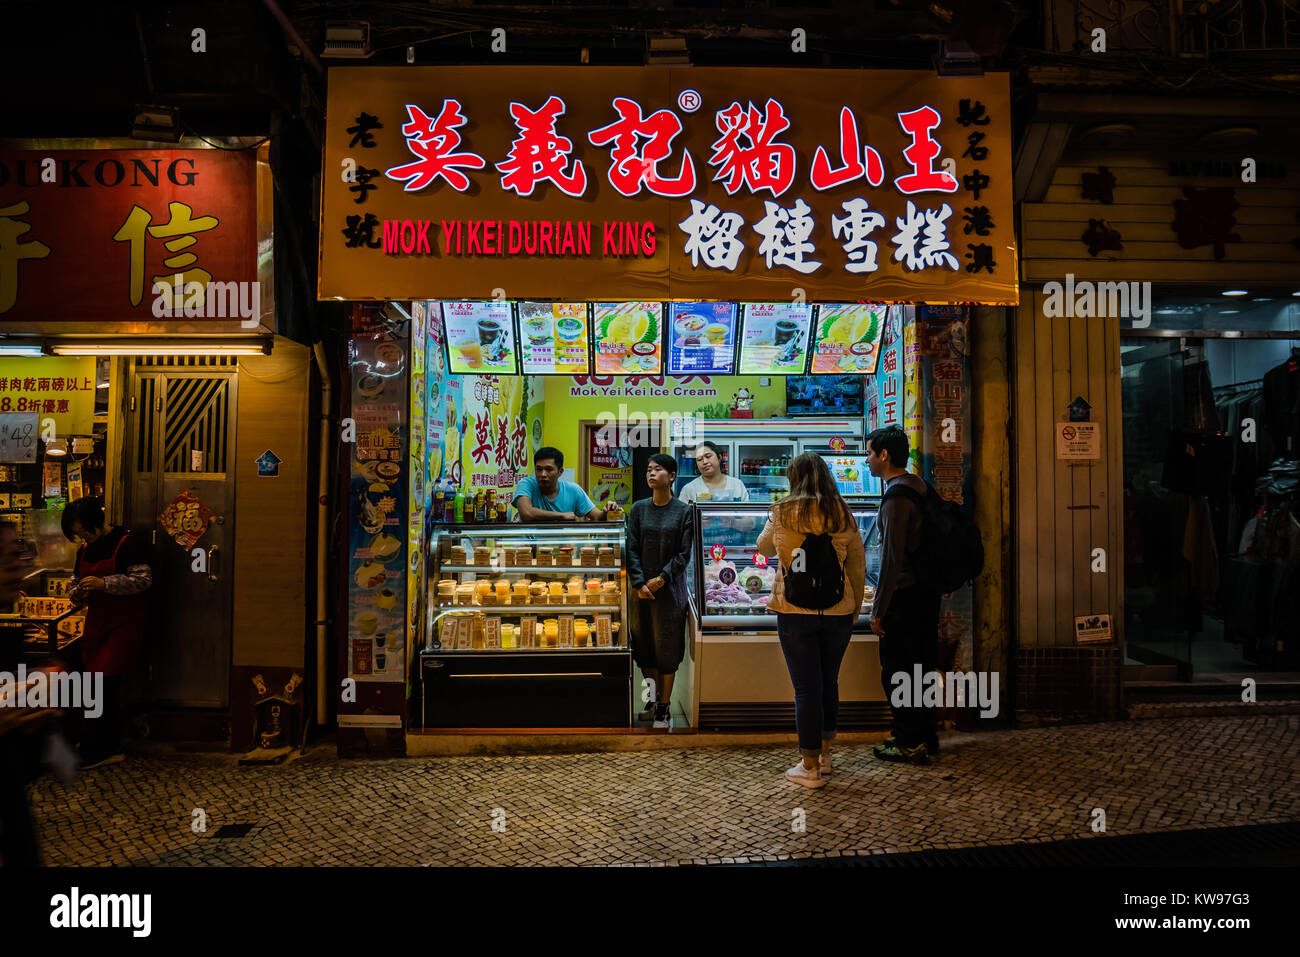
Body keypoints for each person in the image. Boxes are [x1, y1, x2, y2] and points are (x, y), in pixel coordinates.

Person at [757, 452, 866, 788]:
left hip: (795, 611)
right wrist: (855, 608)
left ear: (794, 478)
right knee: (828, 682)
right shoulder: (842, 512)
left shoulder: (782, 511)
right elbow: (857, 567)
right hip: (838, 612)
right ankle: (826, 755)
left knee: (806, 689)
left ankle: (810, 767)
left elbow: (763, 548)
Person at [864, 426, 941, 765]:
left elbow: (892, 561)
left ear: (884, 456)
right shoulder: (920, 487)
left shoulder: (896, 498)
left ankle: (908, 741)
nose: (866, 459)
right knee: (920, 667)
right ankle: (925, 734)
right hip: (926, 594)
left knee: (897, 670)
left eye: (869, 453)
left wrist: (878, 610)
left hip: (906, 598)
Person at [61, 497, 152, 768]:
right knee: (92, 684)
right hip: (96, 625)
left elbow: (143, 580)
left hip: (124, 625)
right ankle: (92, 741)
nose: (82, 537)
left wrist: (104, 584)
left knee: (104, 685)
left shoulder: (128, 542)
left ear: (97, 521)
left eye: (84, 530)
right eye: (77, 534)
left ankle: (105, 746)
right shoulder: (84, 551)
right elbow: (73, 584)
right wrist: (78, 592)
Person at [626, 454, 693, 730]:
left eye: (658, 469)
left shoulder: (684, 511)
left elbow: (683, 554)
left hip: (669, 592)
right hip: (640, 592)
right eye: (649, 469)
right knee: (645, 648)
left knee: (668, 647)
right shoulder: (638, 509)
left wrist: (660, 579)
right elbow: (630, 548)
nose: (651, 474)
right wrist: (640, 582)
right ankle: (651, 700)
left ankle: (664, 708)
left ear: (672, 476)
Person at [513, 447, 620, 523]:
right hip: (528, 550)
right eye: (539, 469)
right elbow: (526, 513)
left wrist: (608, 511)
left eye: (548, 469)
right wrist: (562, 515)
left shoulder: (573, 490)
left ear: (560, 471)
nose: (543, 474)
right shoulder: (526, 484)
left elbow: (597, 517)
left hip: (564, 550)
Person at [678, 441, 749, 504]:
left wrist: (733, 519)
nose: (705, 462)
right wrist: (698, 518)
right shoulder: (689, 489)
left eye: (708, 456)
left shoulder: (737, 484)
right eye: (699, 459)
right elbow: (681, 518)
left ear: (719, 457)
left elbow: (749, 517)